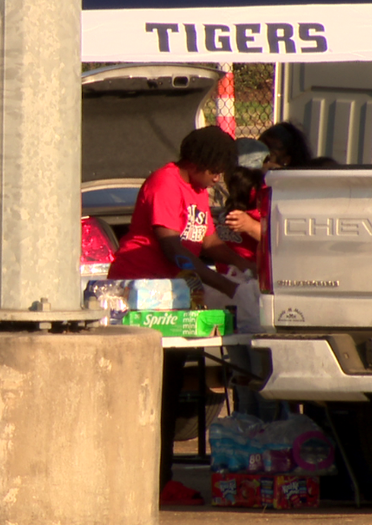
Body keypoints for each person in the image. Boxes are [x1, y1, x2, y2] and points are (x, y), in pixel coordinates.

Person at [106, 126, 253, 506]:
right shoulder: (165, 182)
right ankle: (146, 480)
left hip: (171, 295)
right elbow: (172, 243)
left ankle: (161, 479)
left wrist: (241, 265)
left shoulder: (198, 191)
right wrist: (217, 281)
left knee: (168, 387)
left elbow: (206, 241)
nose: (218, 178)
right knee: (148, 391)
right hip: (141, 292)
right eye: (215, 170)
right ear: (198, 162)